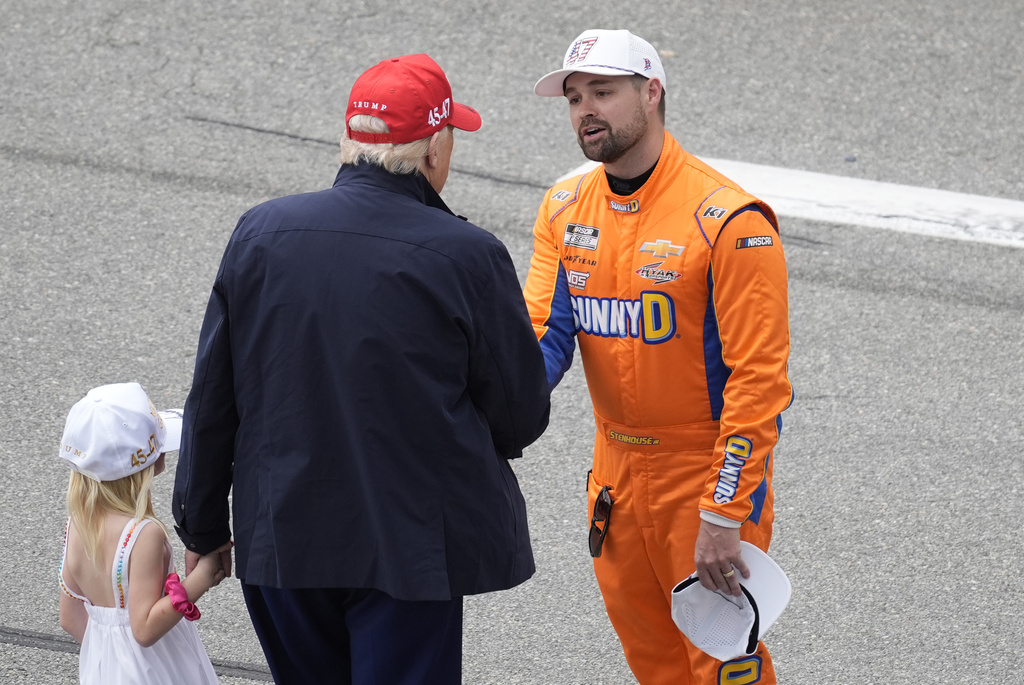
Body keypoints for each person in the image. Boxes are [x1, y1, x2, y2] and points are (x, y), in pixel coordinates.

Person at [172, 53, 550, 685]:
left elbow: (213, 396)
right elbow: (519, 416)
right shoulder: (467, 255)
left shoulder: (261, 233)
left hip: (283, 538)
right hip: (408, 548)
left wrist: (202, 522)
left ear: (351, 142)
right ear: (434, 149)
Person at [524, 29, 794, 685]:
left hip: (700, 479)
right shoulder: (564, 209)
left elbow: (758, 385)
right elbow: (540, 341)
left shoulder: (728, 219)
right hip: (614, 476)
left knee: (725, 664)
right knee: (655, 665)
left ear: (652, 92)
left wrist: (722, 513)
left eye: (604, 92)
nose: (586, 109)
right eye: (575, 97)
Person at [57, 382, 230, 684]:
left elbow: (69, 616)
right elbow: (145, 628)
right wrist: (203, 575)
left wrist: (112, 657)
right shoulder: (142, 534)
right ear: (148, 461)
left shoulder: (78, 524)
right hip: (155, 672)